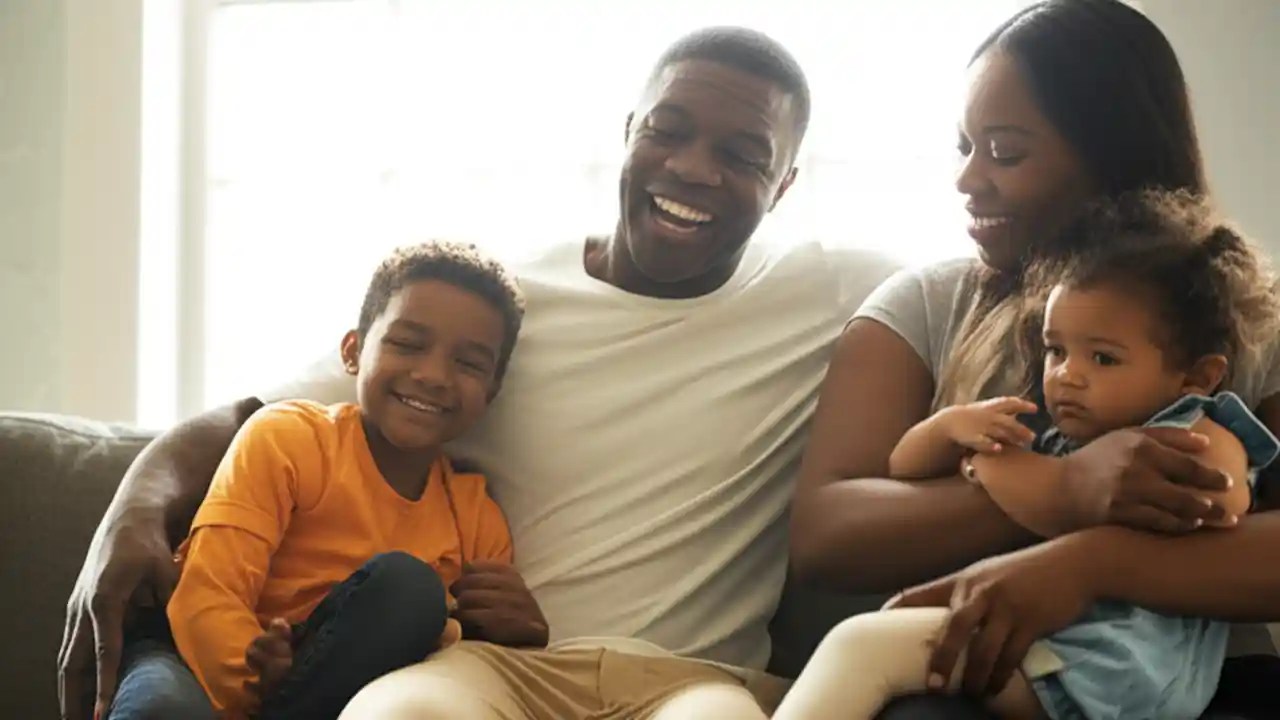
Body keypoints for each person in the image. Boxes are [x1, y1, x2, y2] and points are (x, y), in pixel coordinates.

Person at [58, 27, 909, 720]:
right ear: (628, 132)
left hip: (695, 681)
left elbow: (988, 293)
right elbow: (259, 415)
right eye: (668, 130)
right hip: (492, 675)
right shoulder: (494, 312)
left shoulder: (830, 293)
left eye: (744, 154)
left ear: (786, 182)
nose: (693, 168)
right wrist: (129, 510)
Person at [790, 0, 1280, 717]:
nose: (967, 179)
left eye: (1006, 152)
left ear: (1111, 150)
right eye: (964, 146)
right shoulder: (928, 306)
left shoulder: (1245, 319)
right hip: (986, 675)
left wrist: (1091, 561)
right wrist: (1068, 489)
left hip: (1198, 685)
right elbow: (827, 534)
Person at [107, 242, 525, 720]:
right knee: (162, 711)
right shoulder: (288, 438)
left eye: (469, 364)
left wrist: (518, 638)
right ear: (353, 351)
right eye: (407, 344)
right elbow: (207, 590)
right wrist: (258, 683)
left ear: (491, 392)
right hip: (188, 653)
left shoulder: (475, 518)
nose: (432, 375)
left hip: (335, 695)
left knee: (409, 588)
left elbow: (463, 670)